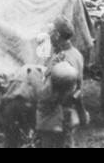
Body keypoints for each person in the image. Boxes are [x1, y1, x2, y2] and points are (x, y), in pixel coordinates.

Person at [37, 17, 86, 148]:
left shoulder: (62, 60)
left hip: (56, 114)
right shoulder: (76, 54)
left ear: (57, 35)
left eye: (51, 31)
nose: (49, 34)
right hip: (69, 111)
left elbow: (48, 93)